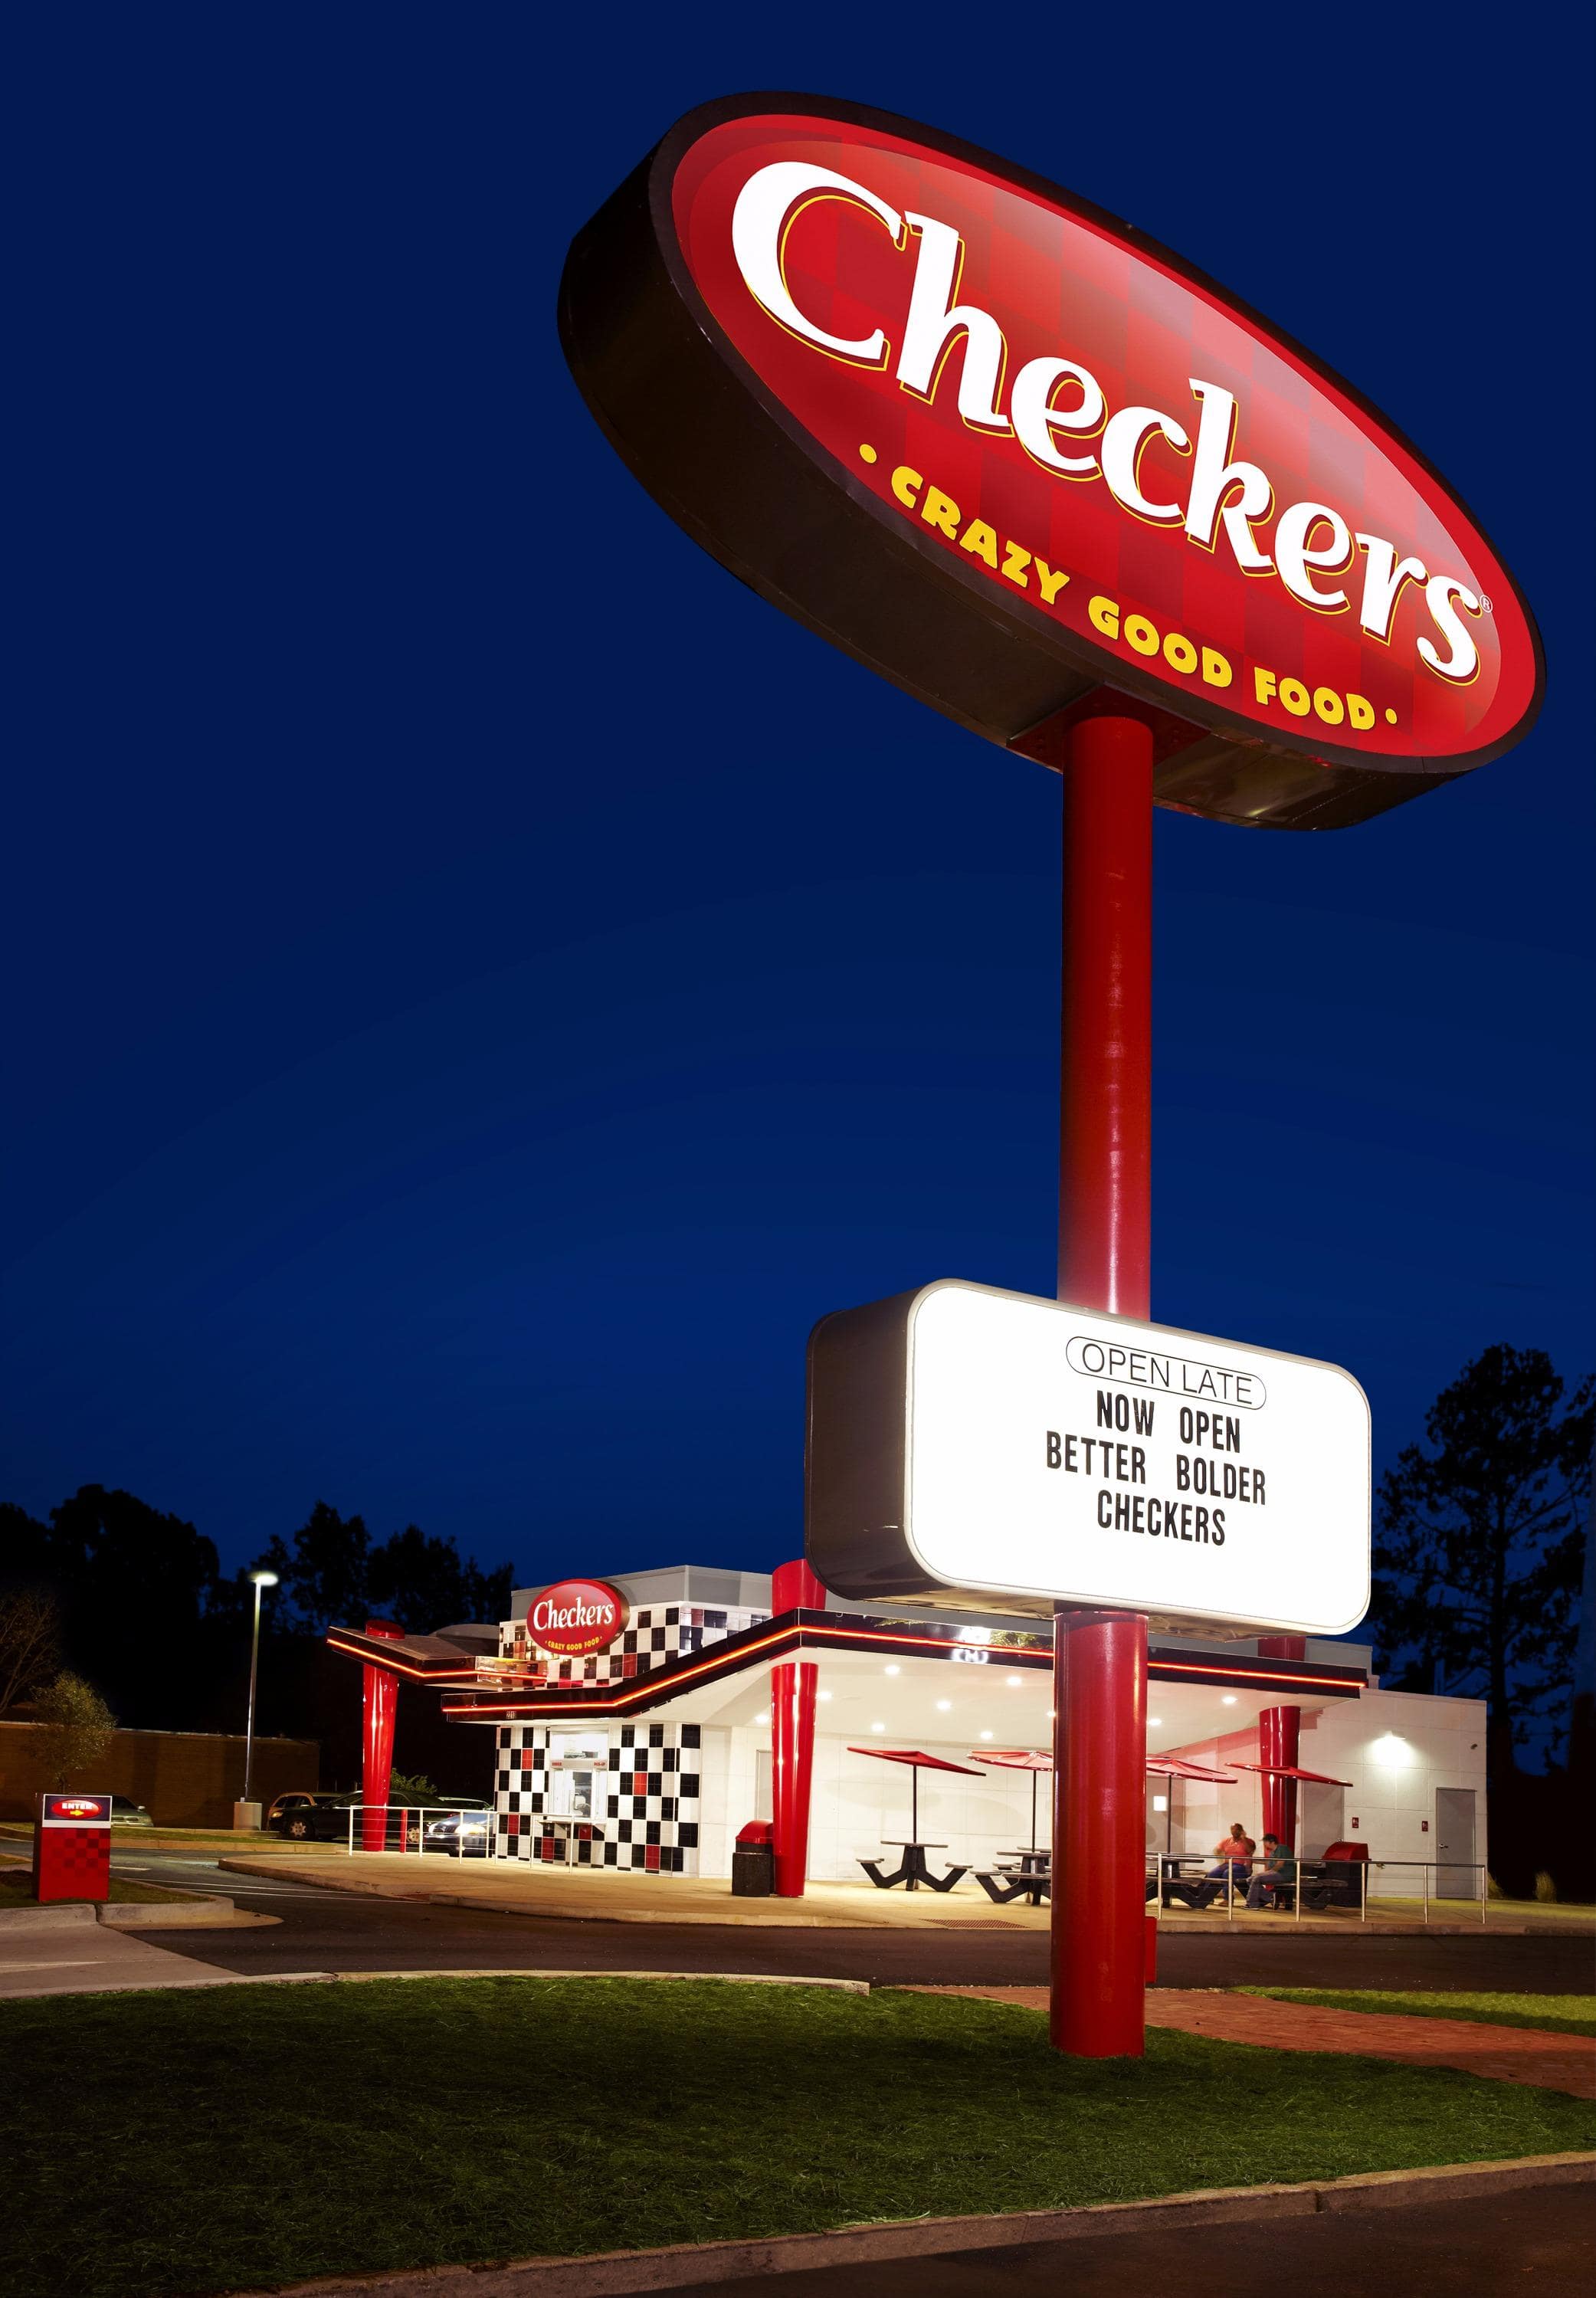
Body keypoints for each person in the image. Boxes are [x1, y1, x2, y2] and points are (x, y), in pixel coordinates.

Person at [1246, 1834, 1297, 1910]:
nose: (1264, 1844)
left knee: (1257, 1878)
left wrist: (1267, 1872)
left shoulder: (1282, 1848)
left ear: (1272, 1842)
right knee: (1249, 1879)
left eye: (1265, 1842)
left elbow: (1280, 1864)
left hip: (1284, 1875)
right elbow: (1267, 1862)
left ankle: (1252, 1904)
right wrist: (1252, 1860)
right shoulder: (1272, 1852)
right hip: (1277, 1874)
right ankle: (1271, 1897)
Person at [1207, 1823, 1255, 1893]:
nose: (1235, 1831)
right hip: (1227, 1864)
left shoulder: (1249, 1841)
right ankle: (1208, 1897)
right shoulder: (1227, 1841)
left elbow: (1250, 1850)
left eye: (1237, 1829)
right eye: (1233, 1829)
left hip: (1242, 1866)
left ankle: (1227, 1898)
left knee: (1227, 1873)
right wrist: (1221, 1861)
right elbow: (1217, 1851)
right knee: (1212, 1873)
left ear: (1242, 1831)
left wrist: (1243, 1838)